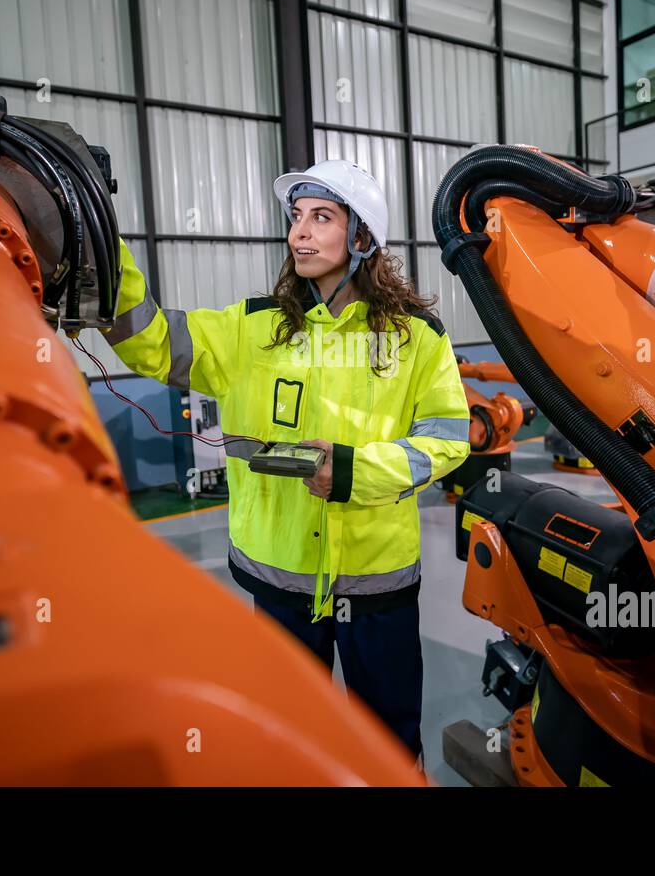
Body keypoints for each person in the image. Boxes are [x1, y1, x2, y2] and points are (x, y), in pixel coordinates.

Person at [101, 159, 470, 761]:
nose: (299, 232)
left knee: (389, 742)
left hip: (378, 585)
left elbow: (448, 440)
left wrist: (350, 471)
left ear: (361, 239)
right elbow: (154, 341)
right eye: (295, 217)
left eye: (320, 217)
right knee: (287, 744)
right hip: (280, 583)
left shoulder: (417, 340)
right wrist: (100, 243)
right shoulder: (250, 330)